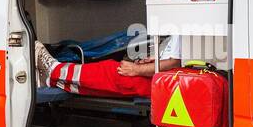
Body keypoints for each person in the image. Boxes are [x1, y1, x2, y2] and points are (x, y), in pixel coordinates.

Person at [34, 36, 180, 97]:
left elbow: (176, 62)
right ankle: (49, 80)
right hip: (171, 77)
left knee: (113, 72)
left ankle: (54, 71)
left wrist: (136, 70)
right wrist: (156, 59)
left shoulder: (190, 16)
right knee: (104, 84)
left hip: (172, 83)